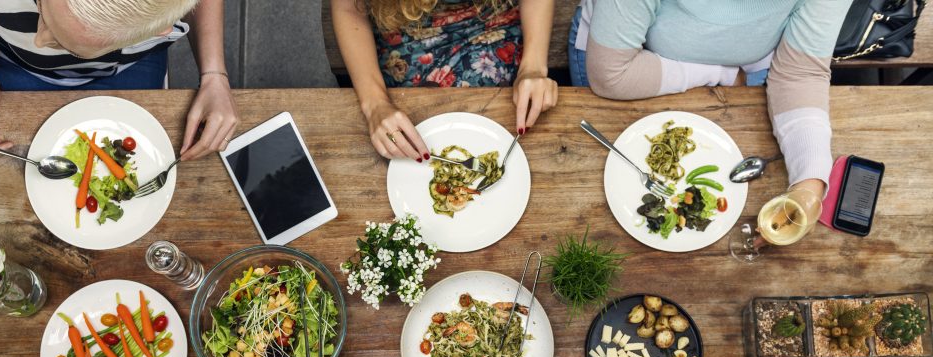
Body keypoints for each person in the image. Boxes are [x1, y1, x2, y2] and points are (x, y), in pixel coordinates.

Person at [568, 0, 853, 222]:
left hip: (747, 71)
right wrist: (724, 74)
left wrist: (810, 183)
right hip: (625, 63)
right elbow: (610, 74)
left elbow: (799, 75)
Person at [0, 0, 238, 161]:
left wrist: (214, 76)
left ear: (160, 28)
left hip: (133, 67)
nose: (39, 41)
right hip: (10, 62)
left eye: (62, 43)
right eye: (42, 9)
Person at [331, 0, 558, 161]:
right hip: (405, 26)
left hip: (490, 21)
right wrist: (375, 104)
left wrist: (533, 68)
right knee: (404, 141)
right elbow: (349, 6)